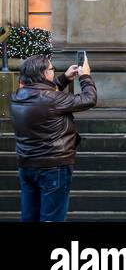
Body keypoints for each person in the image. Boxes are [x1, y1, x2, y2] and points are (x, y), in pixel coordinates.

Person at [11, 53, 97, 222]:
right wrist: (85, 75)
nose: (54, 71)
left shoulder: (17, 96)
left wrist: (64, 78)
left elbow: (42, 92)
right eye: (52, 69)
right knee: (52, 218)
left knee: (29, 217)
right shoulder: (52, 100)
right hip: (53, 167)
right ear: (44, 74)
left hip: (27, 165)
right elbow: (89, 99)